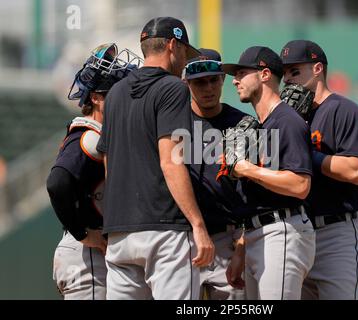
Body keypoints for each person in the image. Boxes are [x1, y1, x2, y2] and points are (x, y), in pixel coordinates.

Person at [96, 17, 214, 300]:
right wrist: (198, 224)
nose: (186, 59)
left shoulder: (115, 93)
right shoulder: (173, 88)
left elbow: (108, 163)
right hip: (164, 232)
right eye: (186, 51)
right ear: (173, 45)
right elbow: (171, 161)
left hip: (120, 233)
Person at [280, 39, 358, 300]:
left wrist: (305, 155)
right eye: (284, 72)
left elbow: (355, 171)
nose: (287, 79)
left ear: (318, 68)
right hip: (299, 232)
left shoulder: (343, 110)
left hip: (337, 234)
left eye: (295, 71)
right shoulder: (289, 117)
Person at [46, 43, 140, 299]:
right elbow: (57, 183)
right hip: (86, 257)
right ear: (96, 97)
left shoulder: (104, 133)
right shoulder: (88, 135)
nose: (123, 98)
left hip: (93, 256)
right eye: (115, 92)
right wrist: (84, 234)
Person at [222, 46, 315, 300]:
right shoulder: (264, 124)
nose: (235, 81)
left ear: (264, 75)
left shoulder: (287, 120)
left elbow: (300, 185)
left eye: (241, 73)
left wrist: (248, 169)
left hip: (282, 230)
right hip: (259, 233)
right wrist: (242, 246)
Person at [184, 48, 247, 300]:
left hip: (228, 239)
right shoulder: (171, 122)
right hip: (181, 240)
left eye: (213, 79)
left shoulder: (242, 123)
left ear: (222, 79)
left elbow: (252, 189)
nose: (208, 88)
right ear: (187, 82)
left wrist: (243, 243)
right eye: (199, 81)